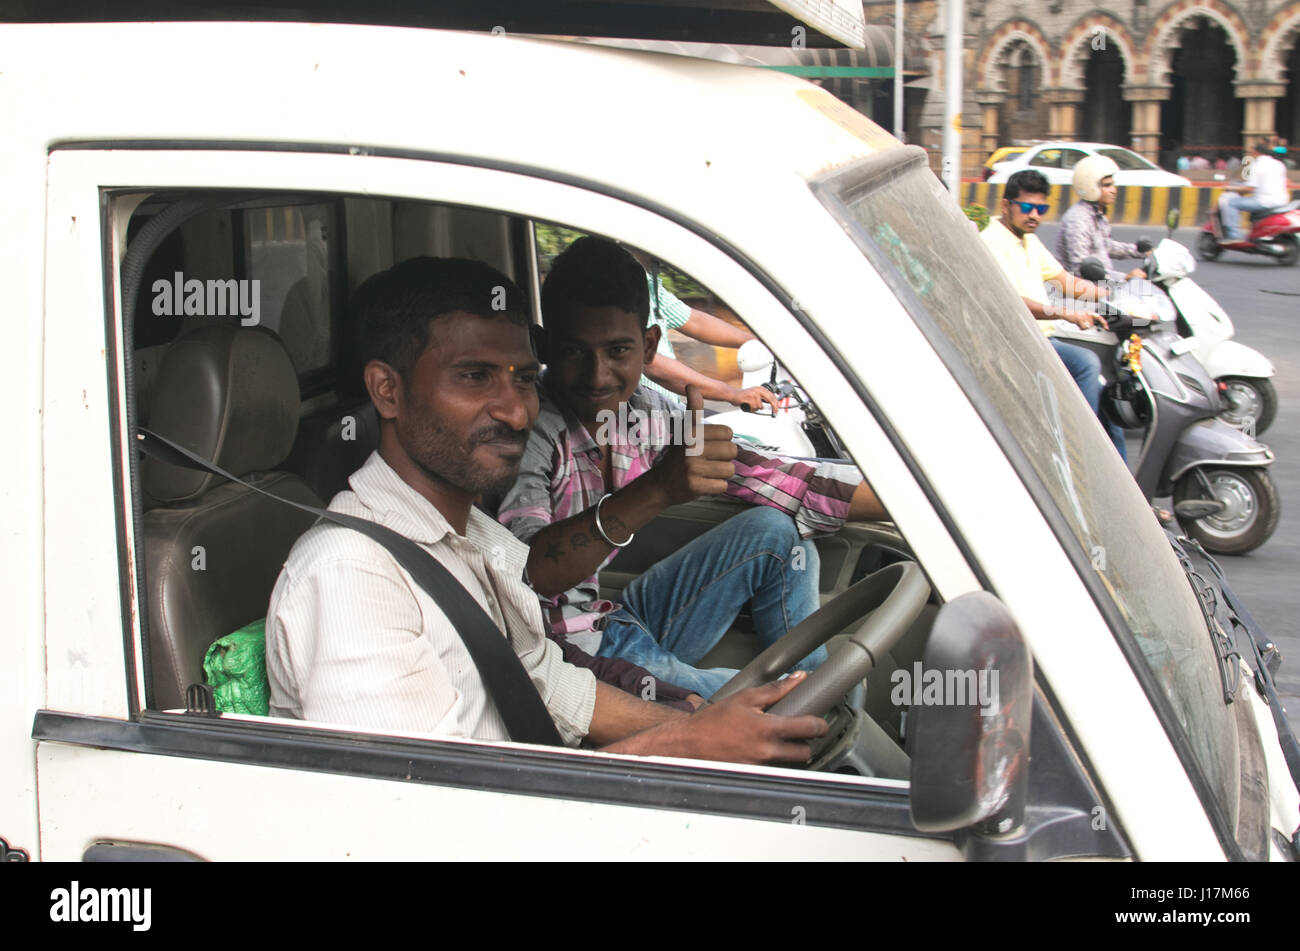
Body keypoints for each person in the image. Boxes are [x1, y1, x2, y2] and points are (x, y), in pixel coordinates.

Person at [264, 256, 828, 764]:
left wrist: (698, 725)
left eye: (525, 379)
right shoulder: (351, 576)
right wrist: (682, 743)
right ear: (387, 390)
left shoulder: (475, 538)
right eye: (475, 376)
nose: (516, 411)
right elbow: (429, 817)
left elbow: (552, 686)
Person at [495, 236, 887, 698]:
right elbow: (526, 578)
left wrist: (915, 509)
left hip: (614, 618)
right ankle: (810, 700)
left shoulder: (645, 412)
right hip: (562, 652)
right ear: (543, 346)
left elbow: (781, 478)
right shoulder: (530, 430)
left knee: (775, 532)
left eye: (618, 351)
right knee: (784, 703)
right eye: (575, 351)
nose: (597, 376)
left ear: (648, 345)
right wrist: (658, 490)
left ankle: (812, 684)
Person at [982, 169, 1127, 460]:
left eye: (1041, 209)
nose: (1034, 215)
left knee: (1110, 397)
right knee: (1087, 362)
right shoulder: (991, 242)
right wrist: (1064, 313)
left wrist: (1117, 293)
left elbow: (1066, 282)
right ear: (1006, 205)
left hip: (1041, 339)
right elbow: (1009, 301)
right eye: (1026, 207)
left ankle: (1131, 492)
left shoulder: (1029, 241)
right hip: (1016, 342)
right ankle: (1083, 450)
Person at [627, 247, 781, 413]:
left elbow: (695, 321)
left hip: (668, 408)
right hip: (640, 418)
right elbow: (651, 364)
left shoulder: (648, 283)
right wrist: (733, 394)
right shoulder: (622, 284)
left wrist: (756, 342)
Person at [1055, 155, 1147, 282]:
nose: (1113, 190)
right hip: (1078, 295)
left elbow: (1106, 246)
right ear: (1090, 187)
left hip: (1101, 288)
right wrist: (1124, 278)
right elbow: (1081, 269)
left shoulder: (1097, 214)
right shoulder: (1078, 220)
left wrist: (1141, 252)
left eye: (1113, 185)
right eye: (1107, 186)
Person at [1218, 140, 1291, 241]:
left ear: (1256, 152)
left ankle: (1233, 235)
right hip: (1282, 201)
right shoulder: (1279, 164)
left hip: (1264, 201)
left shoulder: (1257, 165)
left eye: (1251, 151)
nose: (1250, 154)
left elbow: (1250, 188)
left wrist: (1229, 188)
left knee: (1231, 203)